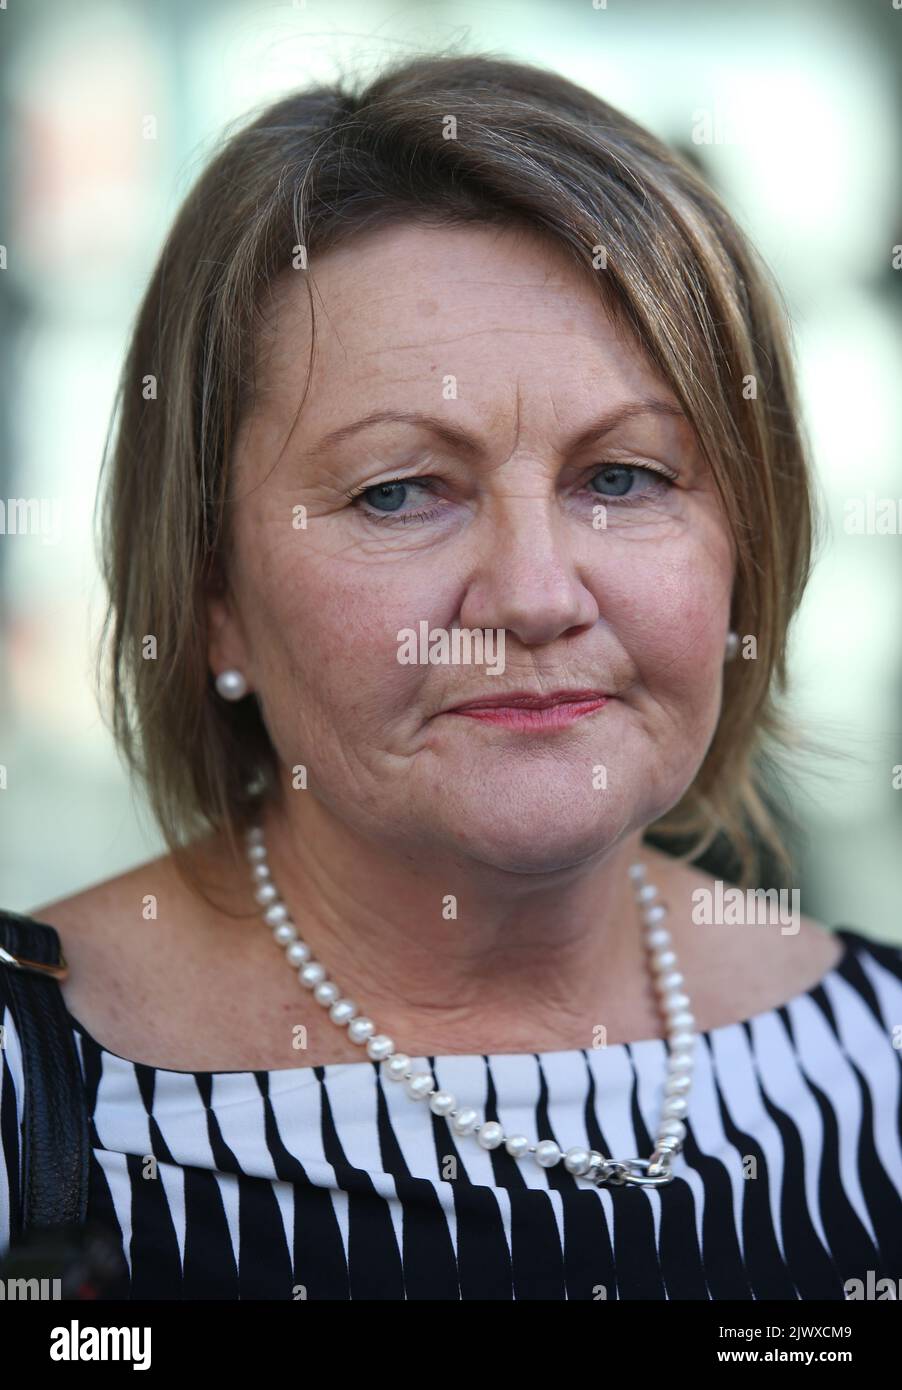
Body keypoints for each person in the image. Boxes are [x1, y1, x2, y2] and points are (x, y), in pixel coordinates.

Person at [2, 52, 900, 1301]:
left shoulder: (883, 1067)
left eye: (622, 478)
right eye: (399, 491)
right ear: (211, 597)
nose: (534, 594)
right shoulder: (28, 1104)